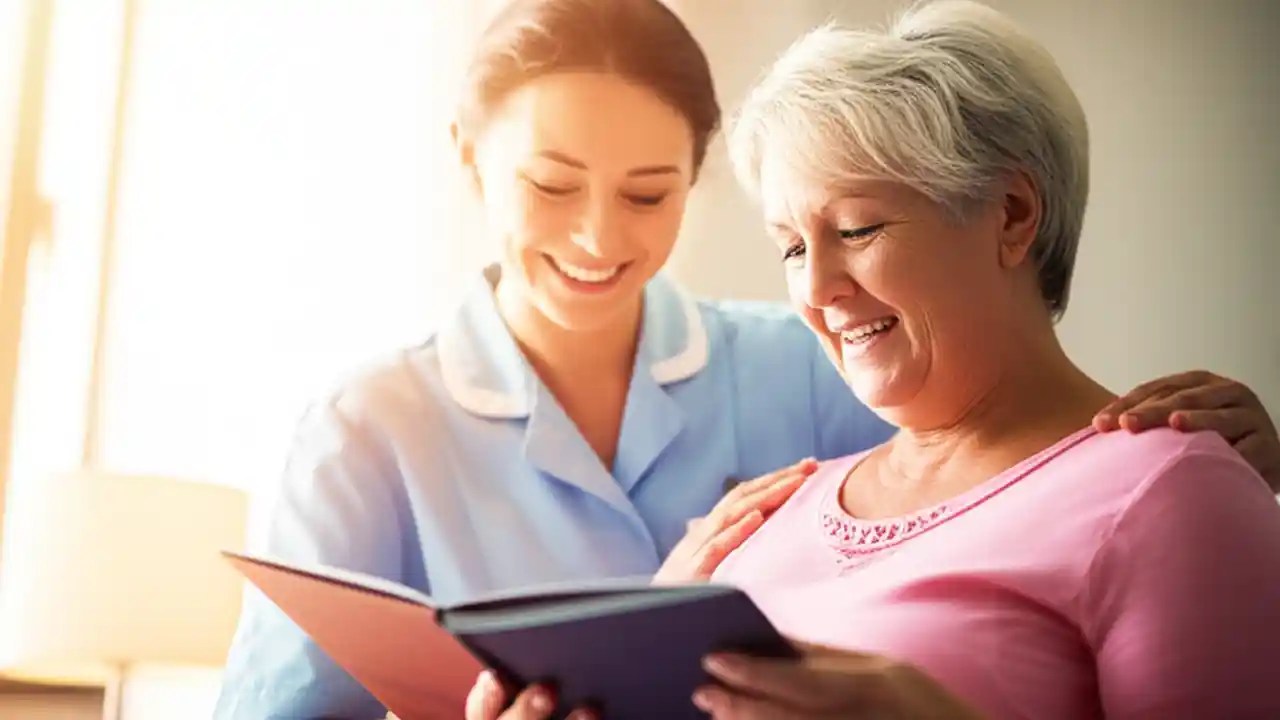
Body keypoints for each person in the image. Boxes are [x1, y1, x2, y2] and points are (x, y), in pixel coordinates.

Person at [216, 0, 1280, 718]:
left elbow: (1029, 467)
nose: (597, 236)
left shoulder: (1157, 486)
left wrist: (1218, 488)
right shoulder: (772, 514)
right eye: (789, 248)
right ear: (469, 162)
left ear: (1010, 215)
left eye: (856, 229)